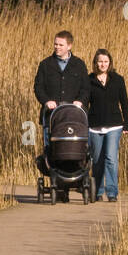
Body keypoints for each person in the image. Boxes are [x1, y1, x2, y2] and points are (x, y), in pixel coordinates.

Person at [33, 30, 90, 202]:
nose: (57, 47)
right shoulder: (46, 64)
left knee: (75, 148)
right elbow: (38, 87)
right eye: (55, 44)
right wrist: (46, 101)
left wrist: (80, 101)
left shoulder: (79, 65)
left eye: (60, 45)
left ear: (69, 46)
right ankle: (58, 188)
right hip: (52, 116)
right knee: (53, 149)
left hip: (74, 116)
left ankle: (75, 182)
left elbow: (85, 88)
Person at [86, 48, 128, 203]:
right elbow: (85, 104)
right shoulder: (89, 80)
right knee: (97, 159)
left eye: (106, 61)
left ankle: (112, 193)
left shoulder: (118, 80)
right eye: (100, 61)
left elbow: (124, 103)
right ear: (95, 63)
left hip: (114, 125)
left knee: (111, 158)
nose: (103, 64)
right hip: (94, 126)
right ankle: (97, 191)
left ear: (110, 63)